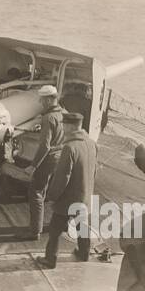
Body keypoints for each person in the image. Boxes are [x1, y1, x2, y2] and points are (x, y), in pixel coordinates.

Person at [36, 110, 97, 269]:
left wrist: (52, 196)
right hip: (85, 195)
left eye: (64, 124)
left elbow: (63, 177)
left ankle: (50, 259)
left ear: (70, 126)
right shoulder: (91, 143)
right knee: (82, 226)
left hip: (68, 199)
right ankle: (84, 253)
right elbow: (94, 170)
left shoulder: (69, 147)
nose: (62, 127)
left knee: (55, 230)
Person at [25, 84, 64, 239]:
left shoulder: (48, 117)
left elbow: (45, 146)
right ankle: (61, 225)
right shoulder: (63, 112)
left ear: (48, 100)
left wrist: (33, 166)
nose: (41, 102)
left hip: (49, 159)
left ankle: (35, 231)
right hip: (61, 157)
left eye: (42, 99)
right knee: (57, 192)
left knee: (36, 192)